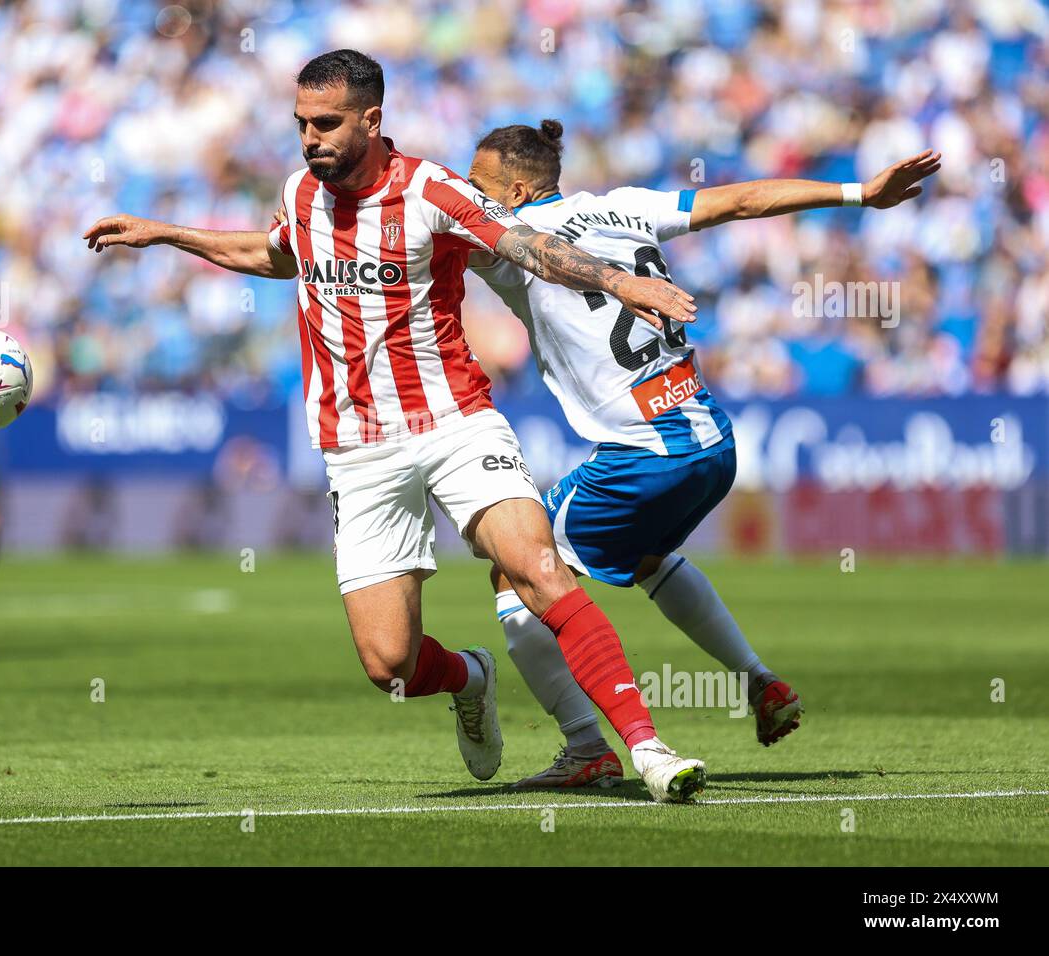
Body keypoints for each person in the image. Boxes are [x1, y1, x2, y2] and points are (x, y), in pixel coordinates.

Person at [84, 50, 710, 802]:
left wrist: (617, 279)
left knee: (537, 570)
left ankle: (646, 749)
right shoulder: (300, 193)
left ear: (371, 119)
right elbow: (276, 254)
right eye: (301, 124)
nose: (309, 138)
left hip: (454, 422)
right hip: (358, 449)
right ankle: (472, 676)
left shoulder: (432, 189)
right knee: (390, 665)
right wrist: (166, 233)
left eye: (326, 123)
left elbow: (527, 247)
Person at [464, 119, 941, 788]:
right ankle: (759, 681)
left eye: (479, 185)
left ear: (515, 190)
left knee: (515, 572)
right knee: (645, 557)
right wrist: (861, 192)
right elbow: (743, 201)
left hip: (645, 454)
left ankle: (588, 748)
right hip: (712, 440)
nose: (468, 195)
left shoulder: (506, 245)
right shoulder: (623, 205)